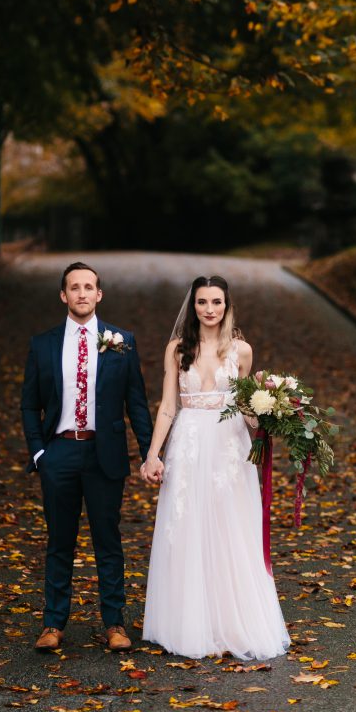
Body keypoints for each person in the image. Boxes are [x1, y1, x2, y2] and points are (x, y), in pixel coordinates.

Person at [139, 275, 290, 661]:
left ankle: (233, 623)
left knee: (231, 529)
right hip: (189, 444)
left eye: (216, 302)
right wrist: (153, 454)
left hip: (229, 447)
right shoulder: (177, 349)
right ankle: (190, 623)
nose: (209, 309)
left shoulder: (242, 351)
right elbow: (168, 406)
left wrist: (270, 412)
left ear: (227, 305)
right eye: (202, 302)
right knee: (187, 527)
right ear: (193, 307)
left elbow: (246, 409)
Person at [21, 261, 153, 652]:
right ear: (64, 295)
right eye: (74, 287)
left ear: (99, 294)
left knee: (107, 541)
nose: (82, 293)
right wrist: (39, 452)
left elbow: (137, 404)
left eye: (88, 287)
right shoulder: (42, 344)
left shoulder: (122, 342)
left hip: (104, 453)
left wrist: (150, 453)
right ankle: (53, 624)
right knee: (59, 541)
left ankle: (114, 624)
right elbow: (29, 404)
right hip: (59, 452)